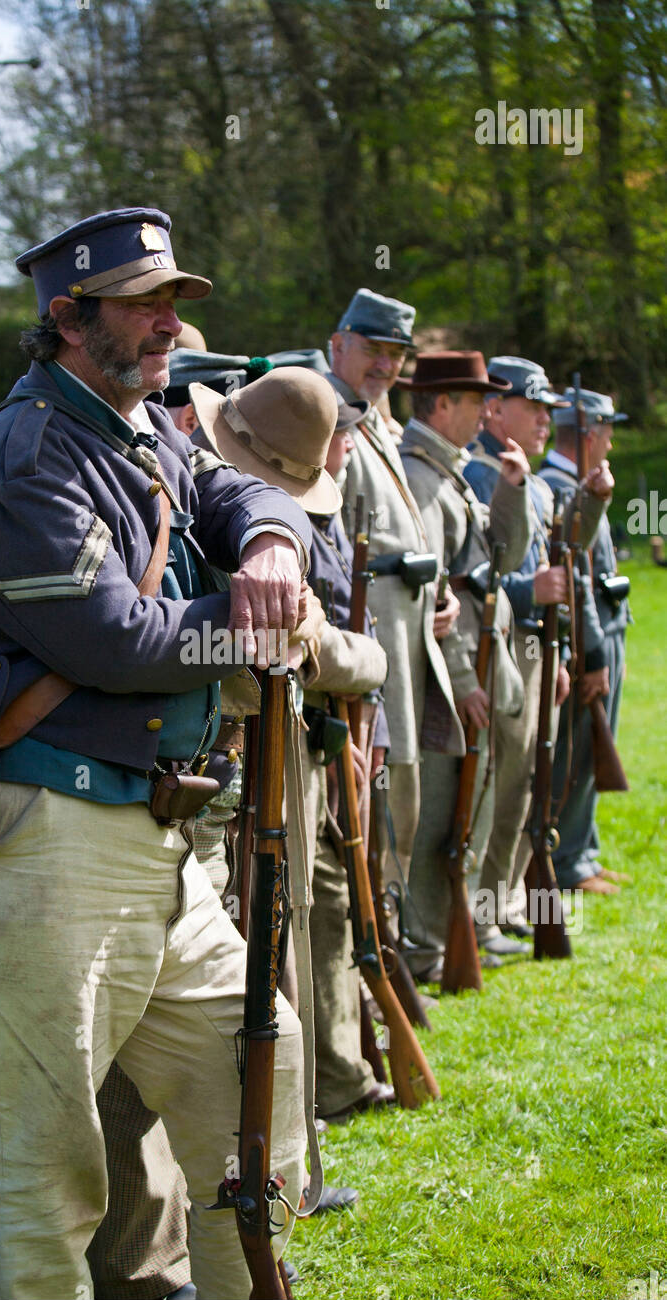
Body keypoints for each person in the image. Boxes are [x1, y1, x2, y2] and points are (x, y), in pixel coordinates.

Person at [0, 206, 311, 1300]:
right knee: (48, 1161)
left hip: (149, 837)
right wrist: (258, 624)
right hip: (50, 834)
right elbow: (109, 637)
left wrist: (275, 542)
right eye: (141, 306)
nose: (165, 326)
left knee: (255, 1058)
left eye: (168, 304)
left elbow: (238, 489)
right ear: (66, 317)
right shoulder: (26, 451)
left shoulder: (140, 430)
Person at [191, 366, 391, 1125]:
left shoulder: (225, 519)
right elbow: (319, 649)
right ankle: (261, 1145)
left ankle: (275, 1142)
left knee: (270, 948)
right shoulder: (231, 533)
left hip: (246, 774)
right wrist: (361, 660)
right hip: (231, 780)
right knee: (255, 957)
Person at [327, 290, 464, 969]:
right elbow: (331, 552)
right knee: (373, 818)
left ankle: (385, 955)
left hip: (404, 650)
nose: (383, 363)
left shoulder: (373, 422)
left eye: (394, 354)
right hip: (365, 657)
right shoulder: (328, 420)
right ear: (338, 344)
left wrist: (435, 596)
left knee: (400, 808)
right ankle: (367, 970)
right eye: (373, 348)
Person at [396, 351, 532, 977]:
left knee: (469, 805)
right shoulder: (422, 478)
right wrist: (462, 679)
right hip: (453, 677)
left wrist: (513, 490)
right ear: (442, 404)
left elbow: (502, 558)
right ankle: (427, 946)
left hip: (479, 662)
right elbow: (439, 593)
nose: (485, 413)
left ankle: (465, 929)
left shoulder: (450, 472)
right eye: (475, 401)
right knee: (442, 813)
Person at [464, 358, 609, 934]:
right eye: (534, 407)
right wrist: (531, 594)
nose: (546, 421)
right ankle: (480, 913)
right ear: (496, 409)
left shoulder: (538, 482)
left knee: (529, 782)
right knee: (498, 786)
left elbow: (558, 555)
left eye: (550, 410)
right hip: (497, 647)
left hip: (534, 648)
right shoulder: (480, 475)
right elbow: (480, 575)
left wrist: (593, 503)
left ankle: (506, 902)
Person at [539, 388, 627, 894]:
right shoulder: (557, 485)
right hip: (587, 636)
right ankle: (568, 860)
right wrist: (591, 651)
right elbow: (580, 576)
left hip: (605, 629)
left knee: (596, 749)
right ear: (589, 431)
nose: (612, 439)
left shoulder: (576, 482)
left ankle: (583, 851)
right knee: (578, 750)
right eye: (608, 429)